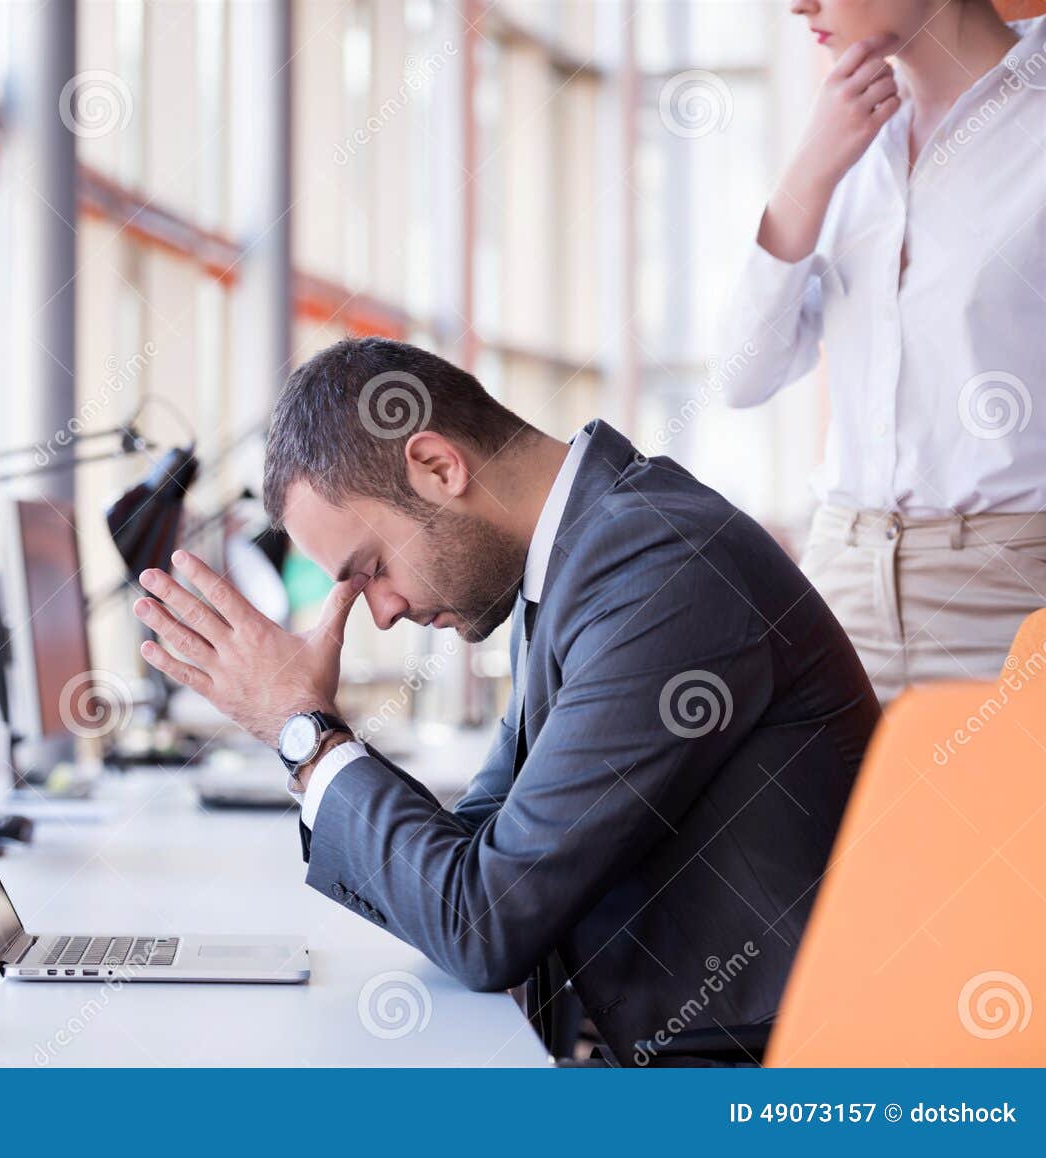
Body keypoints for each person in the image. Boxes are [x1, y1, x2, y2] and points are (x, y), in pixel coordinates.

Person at [130, 338, 880, 1066]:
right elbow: (476, 854)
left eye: (374, 568)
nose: (383, 613)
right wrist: (310, 730)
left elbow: (484, 921)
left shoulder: (658, 573)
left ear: (435, 465)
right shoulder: (576, 560)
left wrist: (306, 733)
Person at [716, 1, 1046, 702]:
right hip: (840, 583)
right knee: (828, 817)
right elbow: (744, 377)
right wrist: (807, 175)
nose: (799, 4)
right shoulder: (842, 137)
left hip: (1013, 592)